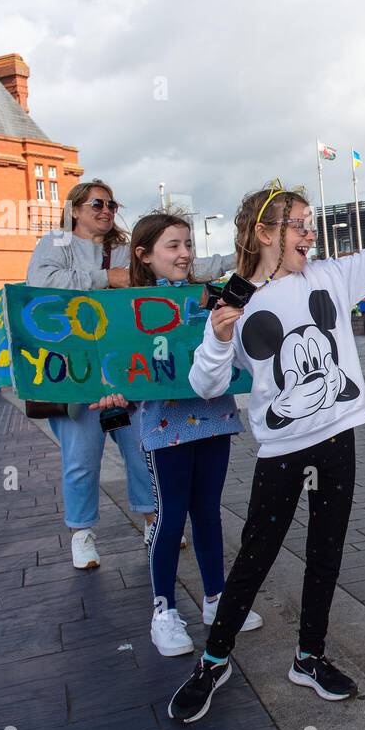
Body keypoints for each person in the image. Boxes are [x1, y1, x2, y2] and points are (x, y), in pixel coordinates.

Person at [167, 185, 365, 722]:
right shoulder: (236, 298)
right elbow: (205, 385)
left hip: (337, 437)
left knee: (327, 552)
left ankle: (309, 656)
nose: (310, 233)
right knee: (256, 555)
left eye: (311, 222)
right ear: (264, 233)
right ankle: (214, 660)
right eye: (299, 224)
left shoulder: (329, 277)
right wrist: (214, 337)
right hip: (281, 449)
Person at [27, 179, 233, 570]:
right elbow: (41, 283)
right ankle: (82, 532)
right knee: (81, 454)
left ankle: (152, 517)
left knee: (140, 447)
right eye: (96, 204)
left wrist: (231, 259)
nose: (106, 210)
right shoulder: (55, 243)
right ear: (74, 209)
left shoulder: (123, 248)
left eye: (111, 204)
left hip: (124, 370)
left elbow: (178, 268)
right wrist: (106, 278)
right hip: (79, 370)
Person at [87, 211, 262, 656]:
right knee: (168, 518)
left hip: (214, 418)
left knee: (207, 511)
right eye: (173, 245)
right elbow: (115, 366)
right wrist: (113, 393)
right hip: (164, 428)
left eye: (188, 244)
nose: (185, 253)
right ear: (143, 254)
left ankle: (215, 598)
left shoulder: (207, 297)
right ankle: (162, 611)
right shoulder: (126, 307)